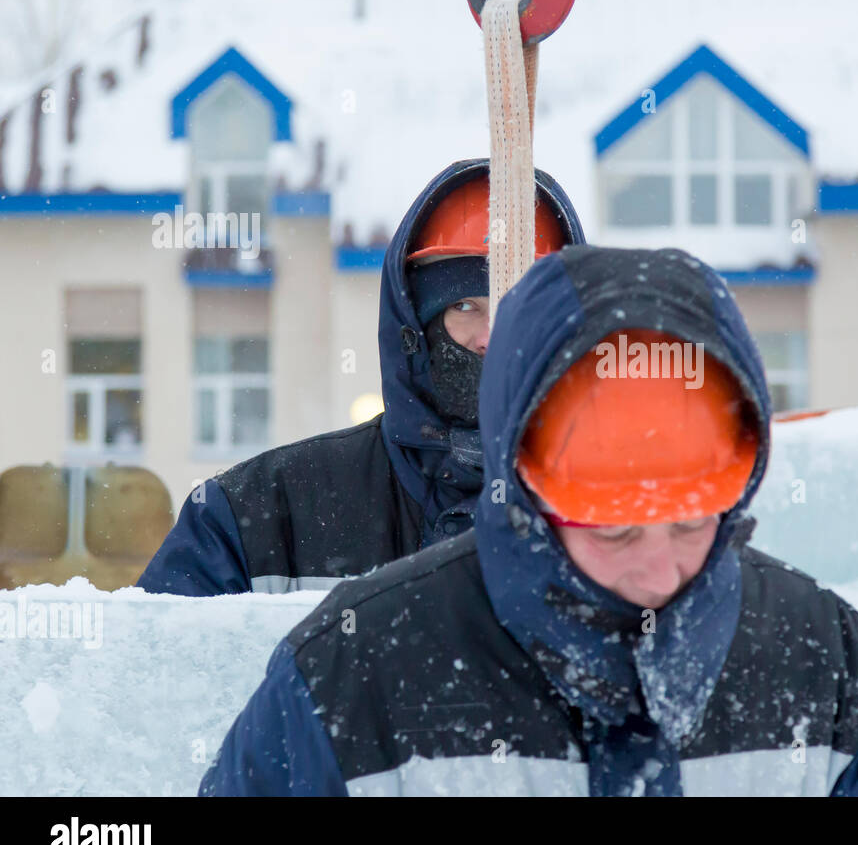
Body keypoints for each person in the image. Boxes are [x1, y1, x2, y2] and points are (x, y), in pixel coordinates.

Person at [199, 244, 858, 796]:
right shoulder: (353, 675)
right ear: (526, 497)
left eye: (689, 522)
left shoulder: (827, 666)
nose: (658, 571)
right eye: (612, 527)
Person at [136, 158, 584, 595]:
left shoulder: (616, 514)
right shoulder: (260, 517)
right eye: (464, 307)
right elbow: (163, 660)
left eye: (517, 306)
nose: (491, 336)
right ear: (415, 330)